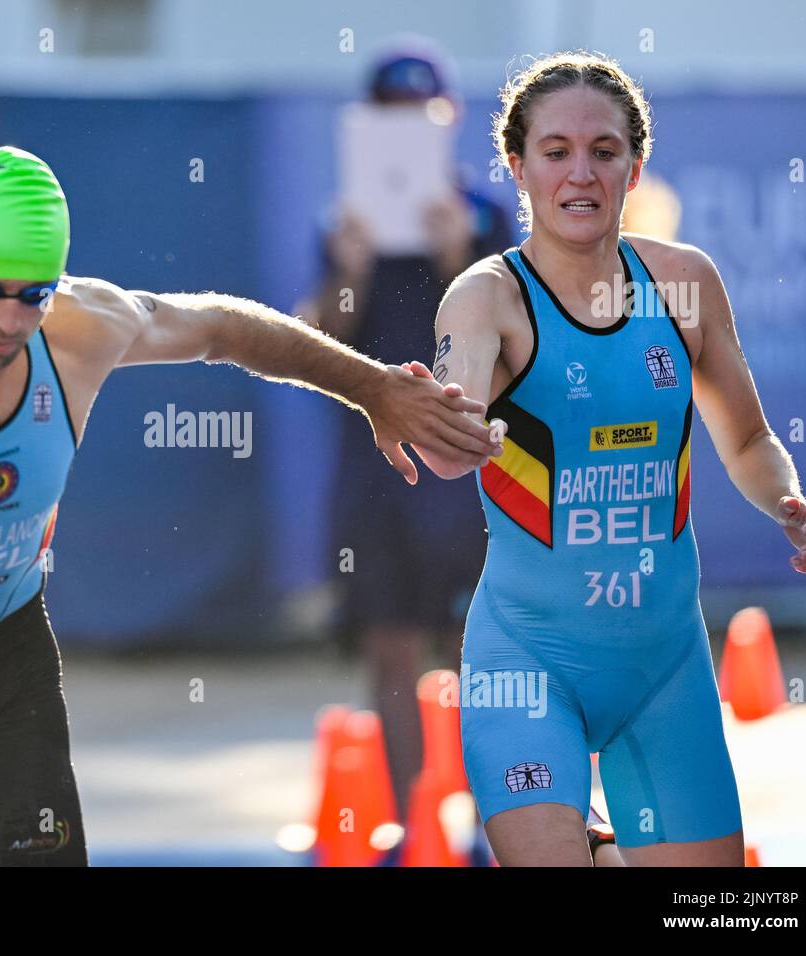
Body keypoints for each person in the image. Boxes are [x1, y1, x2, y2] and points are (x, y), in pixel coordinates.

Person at [0, 145, 505, 866]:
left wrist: (372, 391)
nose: (5, 320)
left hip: (4, 665)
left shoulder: (80, 328)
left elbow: (224, 328)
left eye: (29, 296)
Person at [416, 52, 806, 865]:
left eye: (604, 151)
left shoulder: (682, 283)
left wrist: (787, 497)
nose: (581, 173)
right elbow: (448, 441)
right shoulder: (487, 295)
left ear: (634, 166)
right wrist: (452, 426)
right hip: (526, 663)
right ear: (517, 167)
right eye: (556, 151)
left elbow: (748, 440)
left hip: (664, 668)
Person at [304, 37, 514, 813]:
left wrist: (457, 251)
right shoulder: (343, 224)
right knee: (389, 645)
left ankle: (496, 820)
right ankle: (405, 825)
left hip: (460, 467)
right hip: (375, 472)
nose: (405, 128)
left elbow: (517, 350)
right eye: (389, 115)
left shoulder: (486, 218)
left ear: (449, 118)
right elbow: (321, 342)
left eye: (418, 114)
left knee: (476, 649)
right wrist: (350, 270)